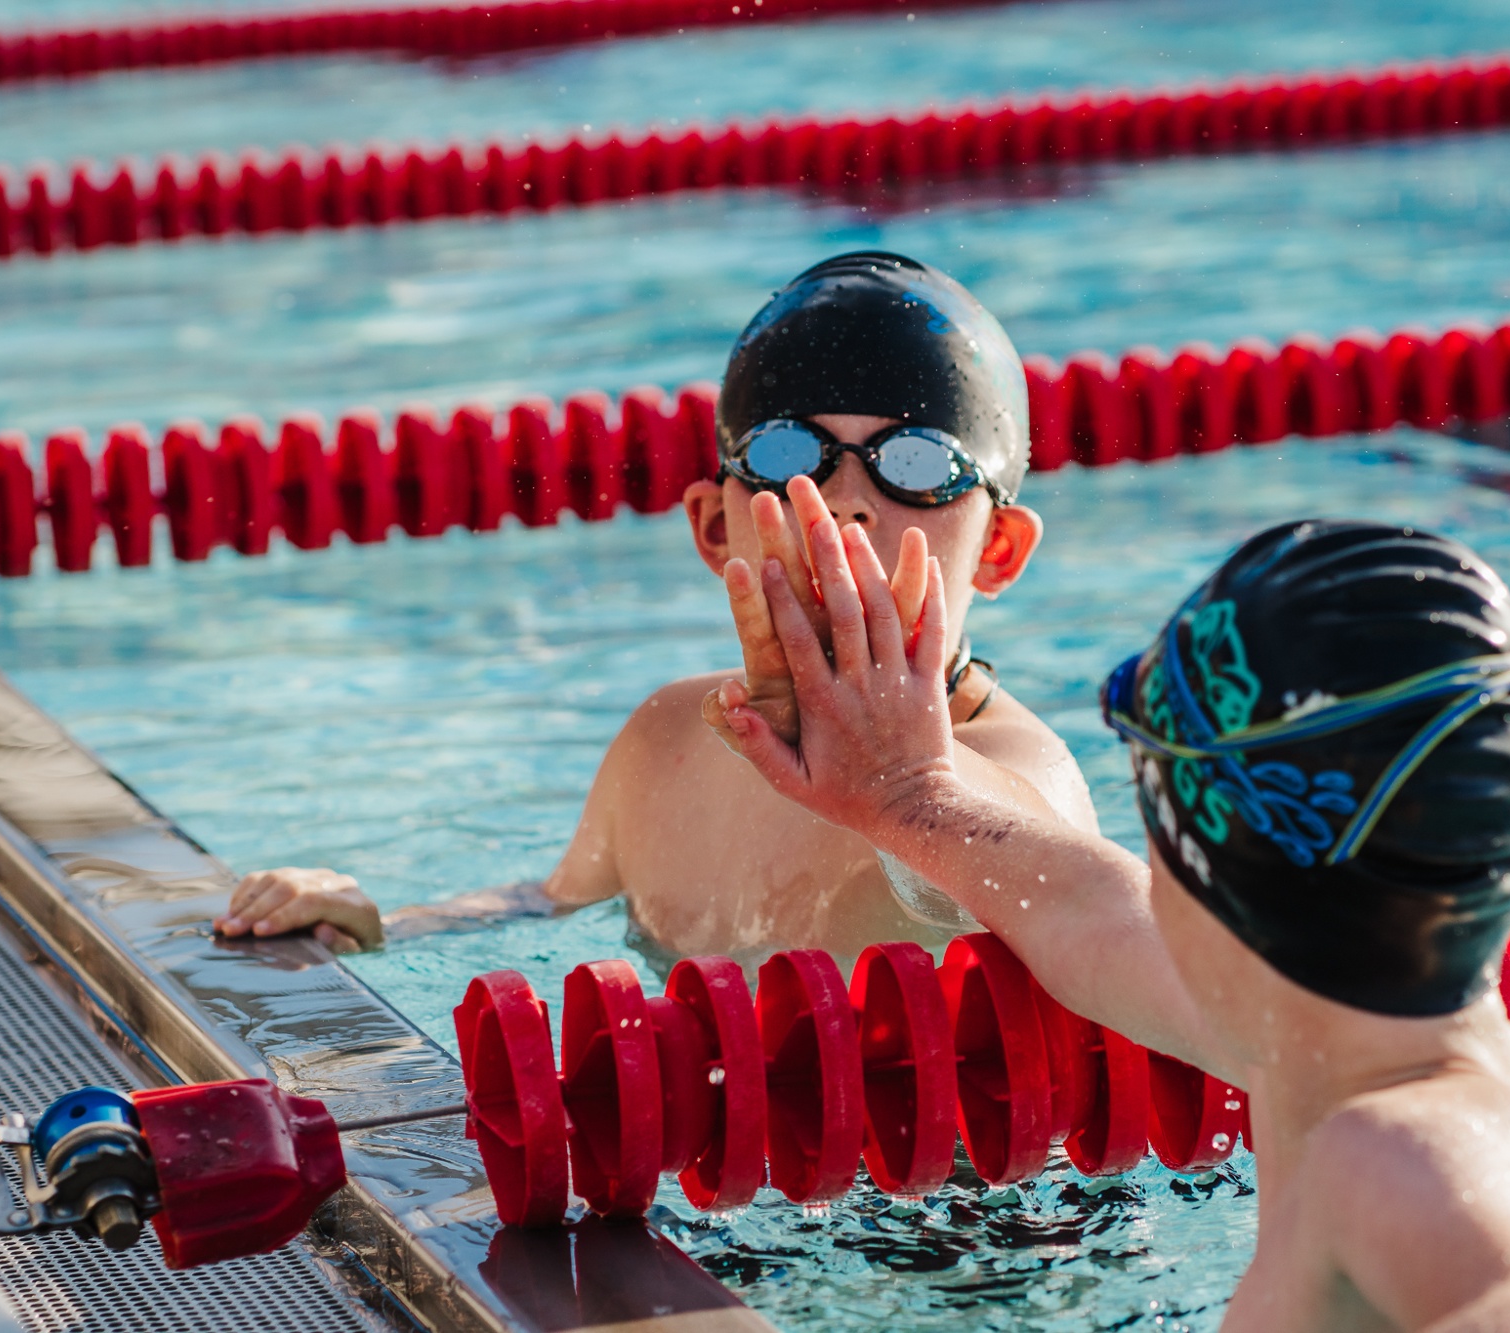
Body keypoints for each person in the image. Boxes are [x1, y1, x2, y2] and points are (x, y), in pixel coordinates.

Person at [709, 511, 1510, 1331]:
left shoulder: (1396, 1154)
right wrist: (903, 796)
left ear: (1211, 859)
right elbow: (1090, 912)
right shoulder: (1340, 1042)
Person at [216, 252, 1099, 966]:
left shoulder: (1025, 773)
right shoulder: (669, 737)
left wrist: (902, 787)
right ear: (716, 528)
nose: (847, 502)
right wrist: (376, 925)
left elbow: (1031, 895)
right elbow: (548, 904)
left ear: (998, 550)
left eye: (916, 464)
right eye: (792, 455)